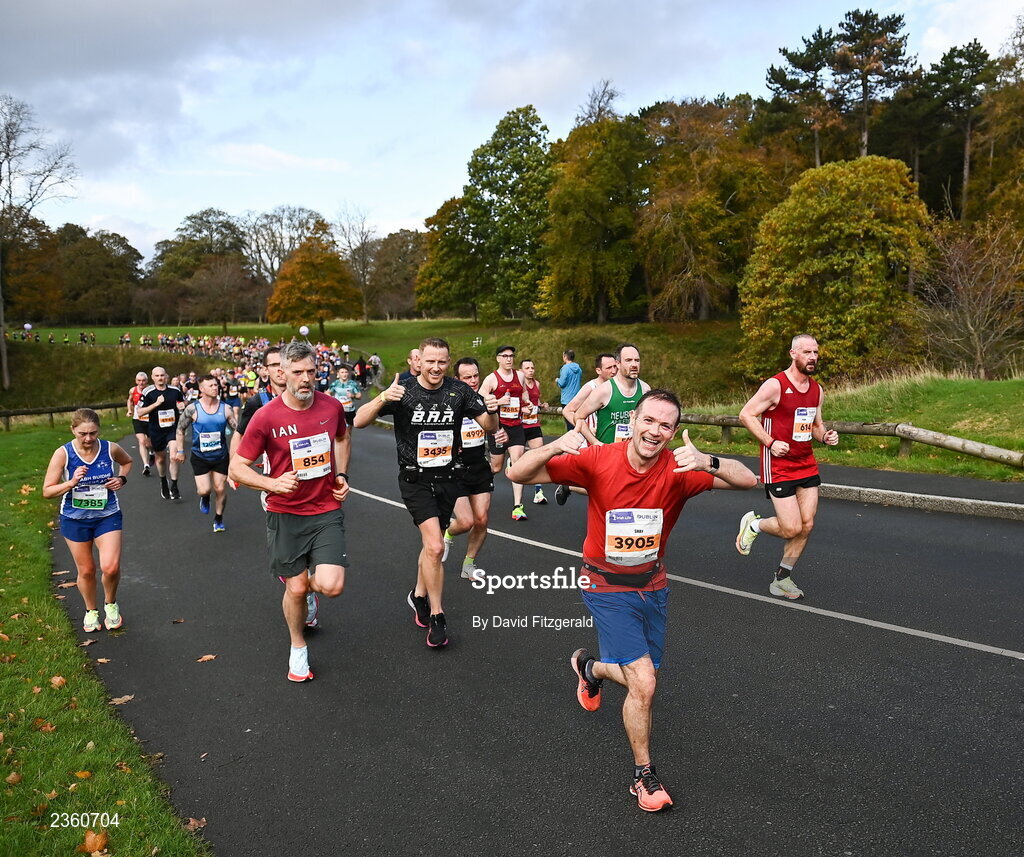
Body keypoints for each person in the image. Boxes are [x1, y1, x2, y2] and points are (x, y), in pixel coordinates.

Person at [509, 390, 757, 812]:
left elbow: (748, 479)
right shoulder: (599, 459)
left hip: (652, 585)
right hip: (604, 583)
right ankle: (644, 776)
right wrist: (554, 445)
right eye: (649, 421)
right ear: (633, 422)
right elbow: (518, 474)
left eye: (665, 425)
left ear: (673, 432)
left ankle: (590, 668)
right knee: (644, 682)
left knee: (643, 677)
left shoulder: (679, 470)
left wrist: (707, 461)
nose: (655, 431)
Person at [354, 338, 498, 648]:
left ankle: (418, 594)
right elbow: (359, 421)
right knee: (434, 546)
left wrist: (492, 411)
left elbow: (486, 424)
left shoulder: (458, 391)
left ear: (448, 362)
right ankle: (437, 615)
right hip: (415, 480)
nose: (435, 367)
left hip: (448, 476)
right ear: (419, 361)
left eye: (441, 362)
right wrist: (381, 398)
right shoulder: (403, 391)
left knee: (444, 537)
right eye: (429, 361)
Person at [229, 341, 351, 682]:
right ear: (282, 373)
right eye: (297, 372)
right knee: (295, 589)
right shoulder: (265, 417)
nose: (306, 379)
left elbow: (342, 438)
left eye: (311, 371)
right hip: (285, 512)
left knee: (332, 584)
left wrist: (341, 474)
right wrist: (271, 484)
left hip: (326, 507)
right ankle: (298, 646)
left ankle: (306, 591)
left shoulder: (331, 406)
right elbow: (237, 468)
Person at [735, 334, 840, 600]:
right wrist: (770, 442)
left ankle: (782, 579)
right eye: (807, 352)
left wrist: (825, 437)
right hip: (778, 464)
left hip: (806, 462)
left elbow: (816, 425)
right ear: (793, 354)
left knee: (806, 525)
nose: (813, 357)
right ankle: (755, 526)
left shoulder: (817, 389)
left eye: (816, 352)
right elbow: (746, 414)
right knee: (791, 527)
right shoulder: (775, 385)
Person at [43, 409, 133, 633]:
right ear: (73, 430)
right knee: (86, 571)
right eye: (82, 433)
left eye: (93, 433)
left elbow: (127, 461)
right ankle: (91, 611)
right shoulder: (63, 454)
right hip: (74, 518)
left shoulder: (109, 448)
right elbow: (47, 491)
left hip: (107, 514)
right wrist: (71, 482)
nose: (88, 438)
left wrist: (121, 478)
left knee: (110, 567)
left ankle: (110, 604)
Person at [442, 357, 497, 582]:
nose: (474, 381)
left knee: (482, 520)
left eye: (476, 376)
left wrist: (498, 438)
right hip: (455, 468)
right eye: (468, 377)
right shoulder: (449, 402)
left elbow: (494, 429)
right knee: (466, 522)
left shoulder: (484, 401)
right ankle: (448, 534)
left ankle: (468, 564)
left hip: (479, 465)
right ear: (458, 379)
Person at [555, 352, 619, 505]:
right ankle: (569, 486)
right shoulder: (591, 387)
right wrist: (585, 429)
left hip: (615, 440)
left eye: (615, 366)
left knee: (614, 483)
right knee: (601, 485)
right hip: (593, 441)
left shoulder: (620, 386)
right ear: (599, 371)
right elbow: (567, 410)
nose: (613, 371)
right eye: (609, 367)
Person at [175, 375, 236, 533]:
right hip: (200, 456)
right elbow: (180, 429)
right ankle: (204, 497)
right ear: (201, 389)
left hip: (220, 456)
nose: (215, 388)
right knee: (204, 490)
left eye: (216, 385)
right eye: (210, 385)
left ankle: (218, 518)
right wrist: (180, 450)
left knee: (220, 488)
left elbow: (238, 432)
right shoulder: (192, 409)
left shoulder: (226, 409)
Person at [479, 345, 530, 521]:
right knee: (496, 467)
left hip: (516, 427)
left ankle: (518, 507)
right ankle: (481, 480)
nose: (509, 359)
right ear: (498, 358)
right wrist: (499, 401)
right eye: (505, 356)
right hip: (498, 428)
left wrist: (527, 403)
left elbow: (523, 394)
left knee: (517, 465)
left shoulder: (520, 376)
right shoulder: (492, 379)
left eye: (511, 356)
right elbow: (480, 398)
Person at [575, 343, 650, 446]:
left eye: (637, 360)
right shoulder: (604, 390)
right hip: (607, 455)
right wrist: (595, 442)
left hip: (634, 455)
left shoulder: (645, 389)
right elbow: (578, 417)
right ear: (618, 364)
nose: (634, 364)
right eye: (628, 360)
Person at [136, 367, 186, 500]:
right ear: (152, 377)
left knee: (174, 455)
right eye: (157, 376)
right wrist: (156, 404)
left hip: (173, 428)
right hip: (156, 431)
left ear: (167, 377)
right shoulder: (148, 392)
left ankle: (174, 485)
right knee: (161, 459)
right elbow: (140, 412)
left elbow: (183, 402)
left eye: (162, 375)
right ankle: (164, 481)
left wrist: (182, 406)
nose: (160, 378)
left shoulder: (175, 391)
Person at [519, 358, 549, 505]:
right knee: (518, 459)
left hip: (533, 424)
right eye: (527, 368)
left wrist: (542, 405)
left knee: (539, 457)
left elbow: (536, 400)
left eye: (532, 367)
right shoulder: (517, 385)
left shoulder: (537, 384)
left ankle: (538, 492)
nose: (531, 370)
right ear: (520, 371)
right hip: (519, 425)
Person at [126, 371, 154, 477]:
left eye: (143, 381)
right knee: (142, 441)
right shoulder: (133, 390)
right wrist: (129, 410)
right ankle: (146, 465)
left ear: (147, 381)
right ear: (136, 381)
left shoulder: (151, 390)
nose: (141, 383)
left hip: (150, 419)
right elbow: (130, 400)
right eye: (139, 380)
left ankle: (151, 452)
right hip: (138, 418)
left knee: (149, 443)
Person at [555, 349, 582, 430]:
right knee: (576, 422)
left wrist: (557, 380)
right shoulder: (579, 369)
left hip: (566, 399)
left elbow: (562, 383)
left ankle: (571, 441)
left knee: (569, 424)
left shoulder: (565, 368)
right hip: (577, 399)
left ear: (565, 357)